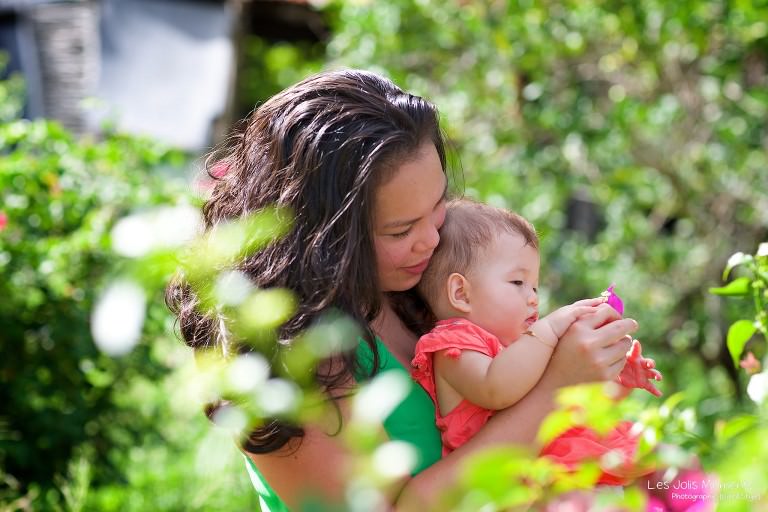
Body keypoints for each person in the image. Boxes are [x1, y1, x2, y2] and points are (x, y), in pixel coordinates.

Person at [166, 69, 640, 511]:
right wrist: (555, 390)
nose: (432, 240)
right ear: (325, 236)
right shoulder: (281, 359)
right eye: (399, 230)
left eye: (437, 206)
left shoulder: (417, 285)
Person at [411, 198, 662, 485]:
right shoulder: (451, 344)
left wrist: (613, 381)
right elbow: (497, 390)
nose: (533, 298)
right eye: (517, 283)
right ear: (461, 293)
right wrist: (548, 329)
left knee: (660, 470)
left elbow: (561, 400)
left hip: (547, 461)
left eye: (534, 286)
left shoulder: (517, 347)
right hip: (513, 477)